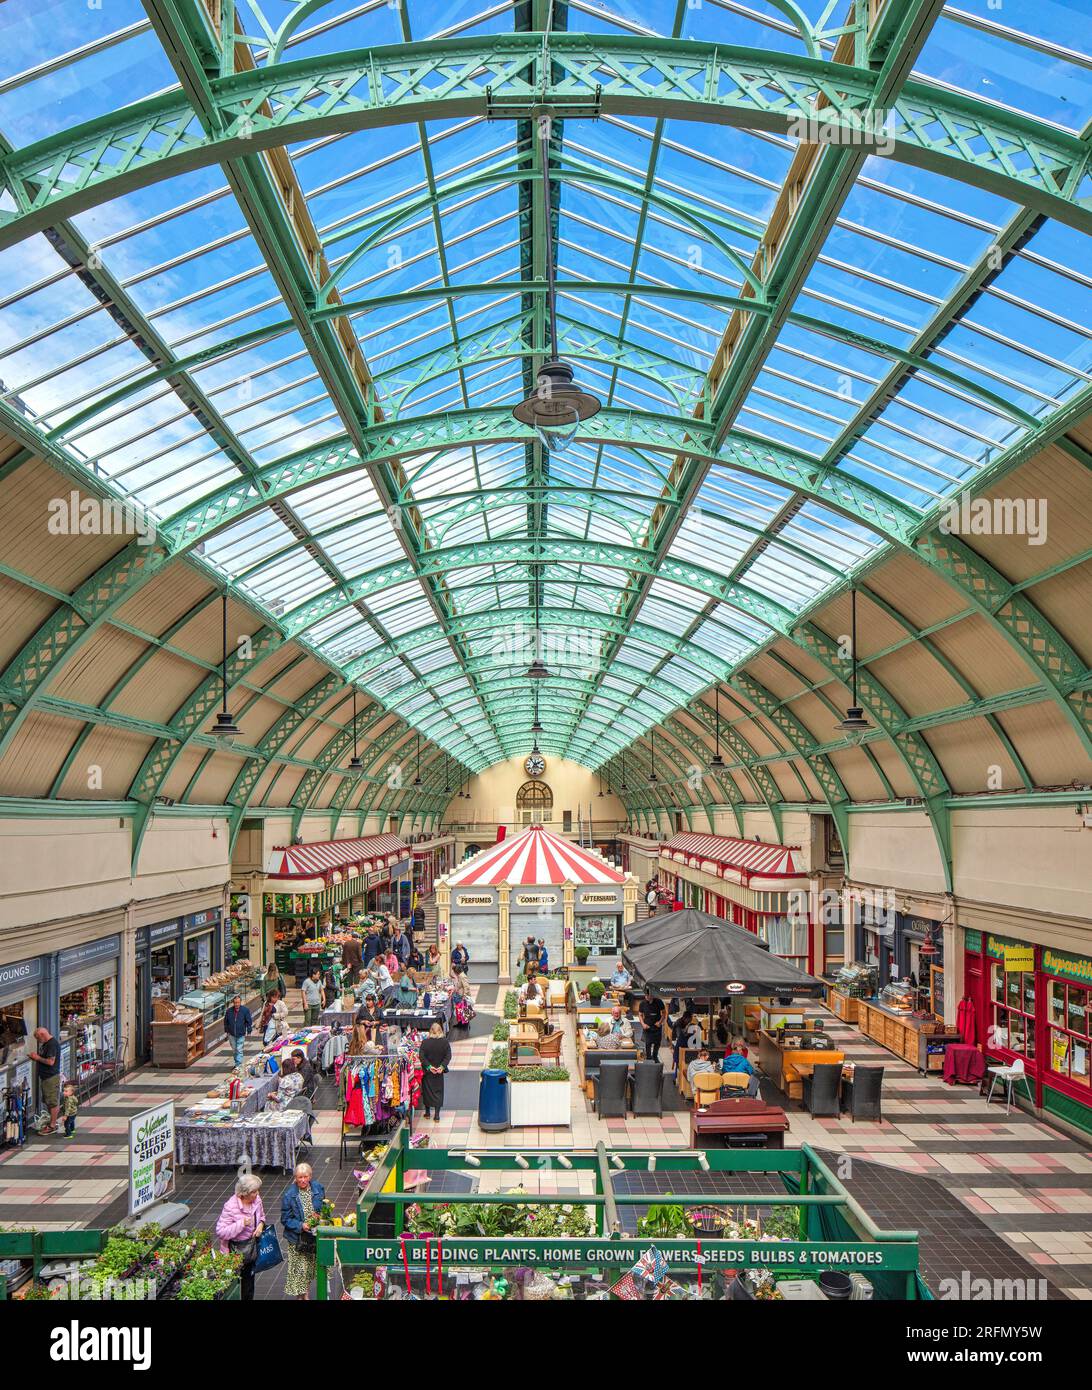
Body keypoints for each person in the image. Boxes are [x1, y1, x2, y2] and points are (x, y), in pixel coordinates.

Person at [215, 1174, 265, 1300]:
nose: (257, 1193)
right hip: (235, 1253)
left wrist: (260, 1225)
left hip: (251, 1250)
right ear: (244, 1193)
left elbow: (262, 1216)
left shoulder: (257, 1200)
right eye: (254, 1191)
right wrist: (241, 1224)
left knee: (248, 1286)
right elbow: (221, 1232)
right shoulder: (231, 1206)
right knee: (235, 1287)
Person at [281, 1161, 326, 1300]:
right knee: (300, 1271)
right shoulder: (290, 1195)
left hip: (313, 1237)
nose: (303, 1180)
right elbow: (285, 1219)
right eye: (299, 1177)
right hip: (298, 1240)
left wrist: (321, 1216)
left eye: (305, 1177)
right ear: (295, 1178)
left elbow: (324, 1205)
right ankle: (303, 1297)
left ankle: (304, 1295)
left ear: (310, 1176)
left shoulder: (318, 1188)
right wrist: (301, 1225)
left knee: (309, 1269)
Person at [27, 1026, 61, 1134]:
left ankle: (52, 1125)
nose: (38, 1041)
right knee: (48, 1100)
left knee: (52, 1102)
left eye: (38, 1038)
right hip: (46, 1077)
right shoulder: (47, 1044)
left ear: (42, 1034)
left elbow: (51, 1062)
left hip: (50, 1077)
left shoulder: (52, 1044)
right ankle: (52, 1121)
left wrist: (37, 1058)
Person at [418, 1021, 452, 1121]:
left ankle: (427, 1113)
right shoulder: (445, 1042)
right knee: (438, 1092)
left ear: (430, 1031)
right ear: (441, 1031)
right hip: (439, 1072)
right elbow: (448, 1056)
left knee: (427, 1091)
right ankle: (437, 1115)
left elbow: (422, 1057)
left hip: (428, 1073)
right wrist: (442, 1067)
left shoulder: (425, 1042)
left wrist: (429, 1067)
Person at [223, 994, 253, 1068]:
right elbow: (225, 1022)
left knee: (239, 1050)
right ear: (233, 1003)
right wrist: (227, 1031)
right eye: (235, 1003)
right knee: (234, 1050)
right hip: (231, 1034)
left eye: (238, 1002)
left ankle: (238, 1066)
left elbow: (249, 1021)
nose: (237, 1004)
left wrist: (249, 1030)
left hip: (241, 1034)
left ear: (240, 1002)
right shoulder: (229, 1011)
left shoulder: (245, 1010)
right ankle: (237, 1063)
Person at [638, 988, 665, 1061]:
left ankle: (655, 1056)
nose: (646, 997)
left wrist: (660, 1022)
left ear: (652, 995)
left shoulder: (659, 1001)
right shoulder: (642, 1003)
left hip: (657, 1026)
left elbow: (664, 1013)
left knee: (657, 1043)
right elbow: (640, 1015)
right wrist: (643, 1024)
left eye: (648, 995)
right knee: (648, 1044)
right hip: (647, 1026)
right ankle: (649, 1058)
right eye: (645, 995)